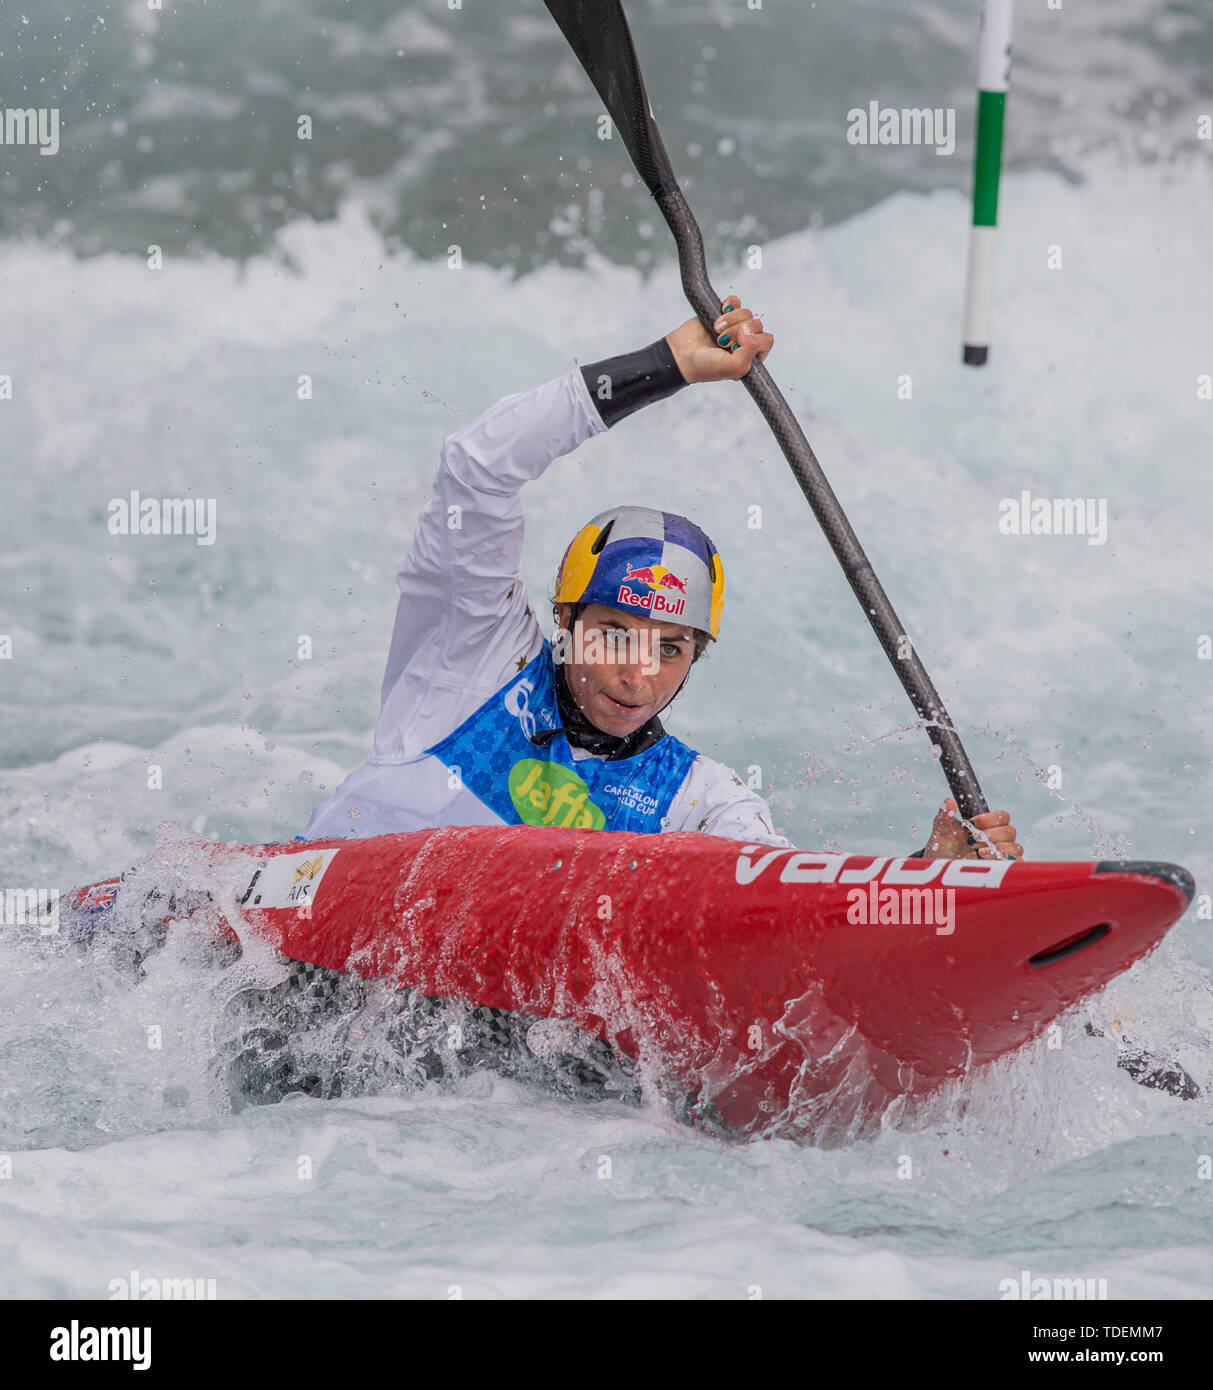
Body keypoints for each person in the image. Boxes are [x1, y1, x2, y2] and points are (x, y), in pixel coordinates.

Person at [303, 298, 1023, 861]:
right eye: (614, 634)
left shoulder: (699, 801)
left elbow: (780, 920)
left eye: (671, 649)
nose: (638, 677)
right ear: (566, 619)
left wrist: (925, 878)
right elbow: (477, 466)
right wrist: (665, 364)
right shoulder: (472, 655)